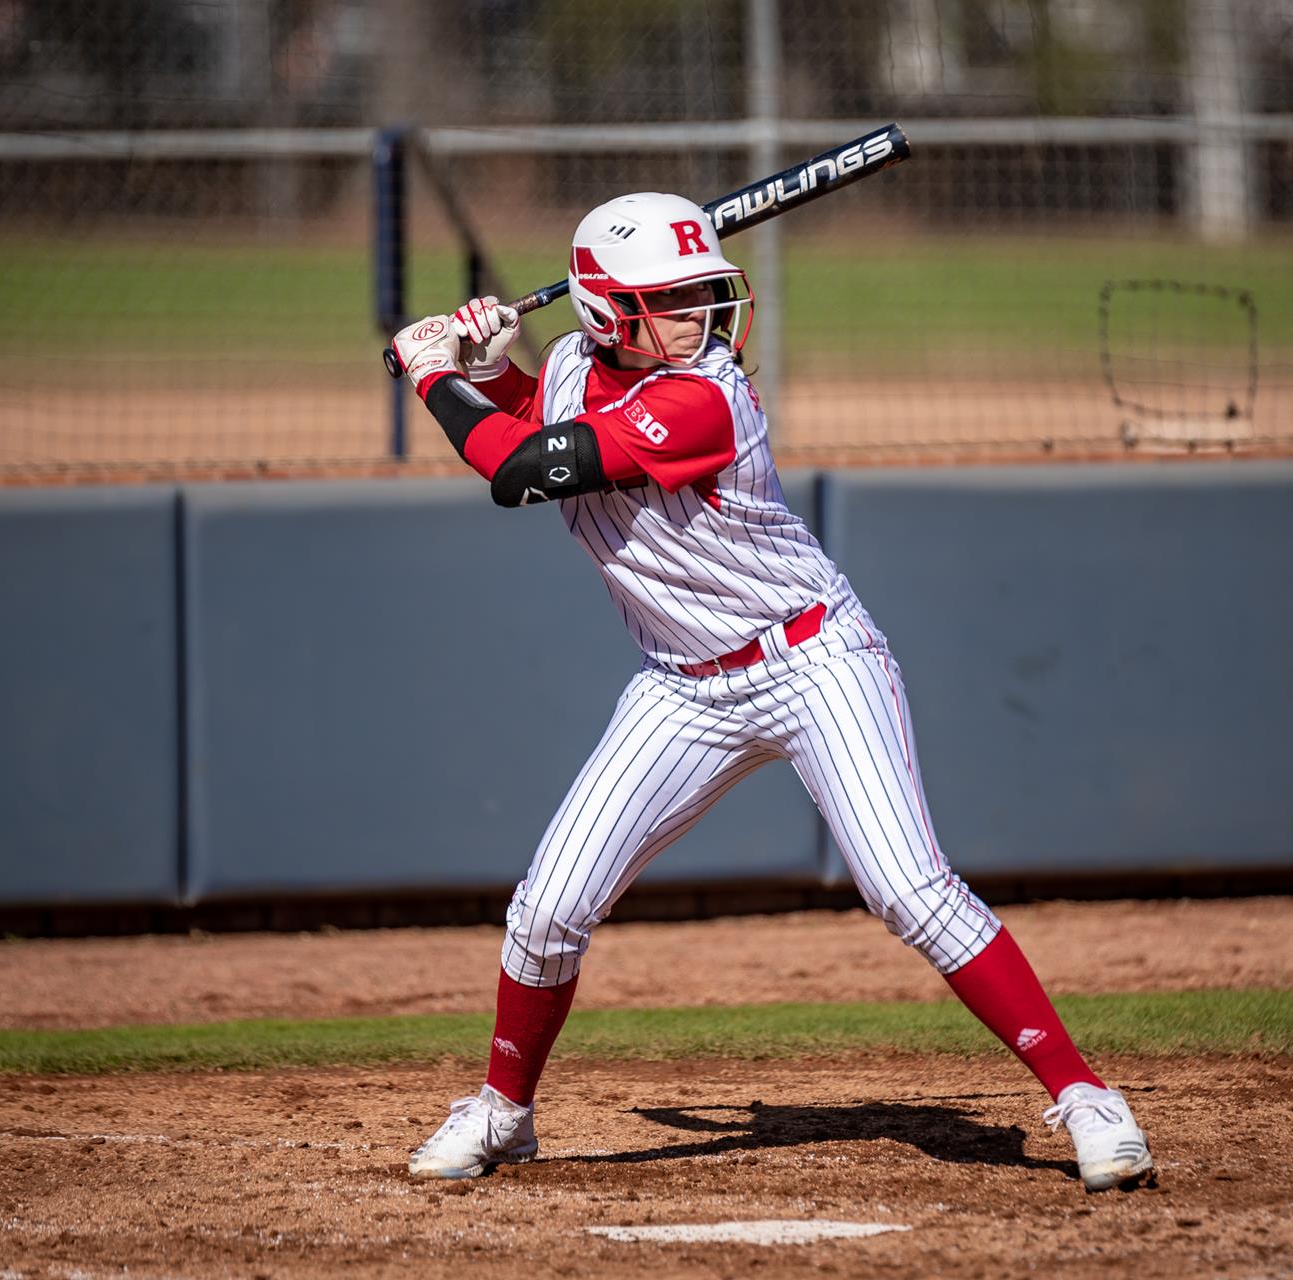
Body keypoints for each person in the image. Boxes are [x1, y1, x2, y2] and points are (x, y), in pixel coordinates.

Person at [386, 192, 1153, 1193]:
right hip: (682, 686)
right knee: (546, 909)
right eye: (669, 298)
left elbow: (525, 467)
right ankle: (502, 1109)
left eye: (702, 291)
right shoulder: (581, 362)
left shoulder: (704, 394)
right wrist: (493, 366)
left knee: (907, 889)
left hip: (811, 659)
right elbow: (543, 409)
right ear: (606, 313)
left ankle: (1086, 1096)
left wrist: (435, 373)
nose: (700, 313)